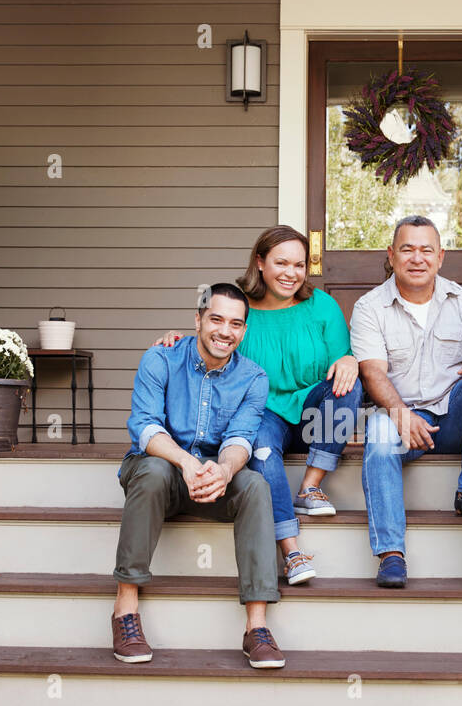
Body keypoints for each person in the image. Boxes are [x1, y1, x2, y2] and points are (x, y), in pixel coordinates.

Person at [152, 226, 362, 586]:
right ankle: (291, 552)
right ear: (260, 262)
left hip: (316, 416)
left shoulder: (322, 306)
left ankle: (311, 485)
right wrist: (180, 341)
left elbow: (341, 360)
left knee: (349, 386)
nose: (291, 273)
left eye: (299, 265)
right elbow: (217, 336)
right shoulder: (242, 309)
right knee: (261, 446)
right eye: (281, 263)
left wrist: (349, 360)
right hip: (263, 412)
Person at [112, 282, 286, 669]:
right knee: (155, 469)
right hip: (161, 473)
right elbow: (144, 426)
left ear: (244, 330)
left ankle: (256, 628)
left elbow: (241, 437)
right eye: (217, 319)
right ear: (198, 320)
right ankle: (125, 609)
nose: (226, 331)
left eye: (236, 324)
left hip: (211, 476)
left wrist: (223, 471)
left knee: (255, 484)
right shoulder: (161, 359)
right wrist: (185, 463)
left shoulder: (254, 379)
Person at [350, 215, 462, 588]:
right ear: (391, 255)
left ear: (440, 257)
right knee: (378, 432)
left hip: (457, 417)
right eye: (407, 249)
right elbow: (372, 373)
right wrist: (402, 415)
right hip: (405, 415)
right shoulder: (369, 307)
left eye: (426, 250)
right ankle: (391, 555)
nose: (416, 258)